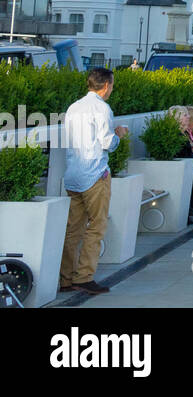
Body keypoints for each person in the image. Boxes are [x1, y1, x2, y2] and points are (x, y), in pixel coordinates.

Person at [59, 67, 129, 295]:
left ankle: (65, 278)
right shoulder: (102, 109)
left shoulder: (73, 107)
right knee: (96, 227)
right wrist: (119, 134)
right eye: (113, 85)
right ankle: (84, 277)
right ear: (106, 85)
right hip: (95, 174)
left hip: (72, 174)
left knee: (73, 229)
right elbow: (107, 143)